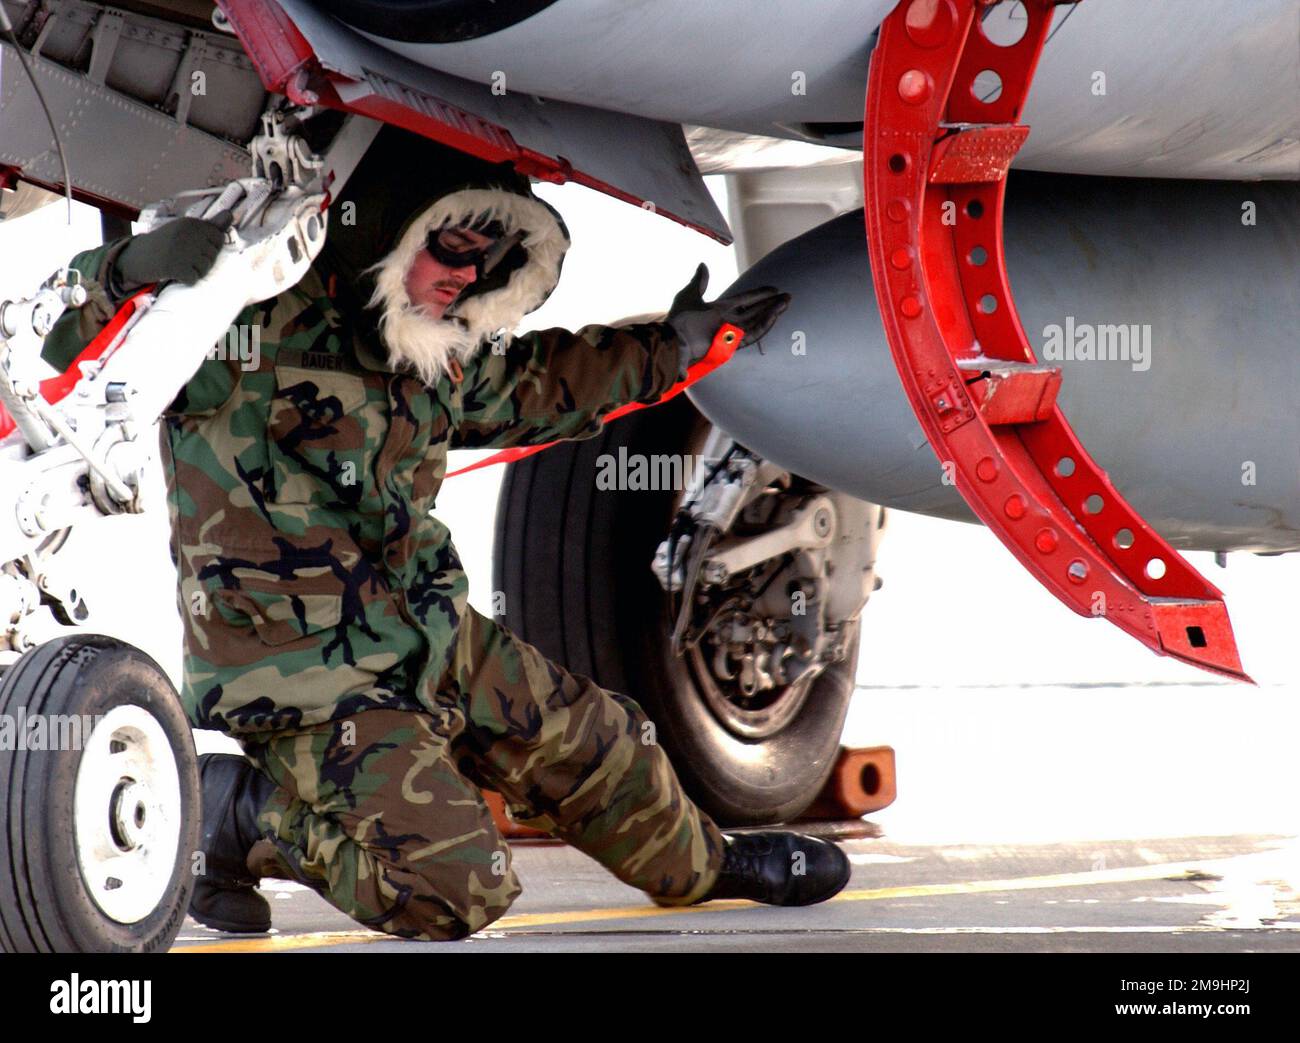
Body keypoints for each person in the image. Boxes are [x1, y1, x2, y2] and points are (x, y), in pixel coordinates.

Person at [41, 125, 851, 940]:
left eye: (483, 266)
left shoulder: (426, 346)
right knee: (453, 888)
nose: (464, 278)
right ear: (389, 230)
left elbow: (542, 384)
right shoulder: (239, 327)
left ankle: (701, 866)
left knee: (604, 742)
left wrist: (675, 349)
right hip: (306, 675)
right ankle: (237, 813)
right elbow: (70, 338)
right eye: (452, 249)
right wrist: (124, 274)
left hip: (426, 633)